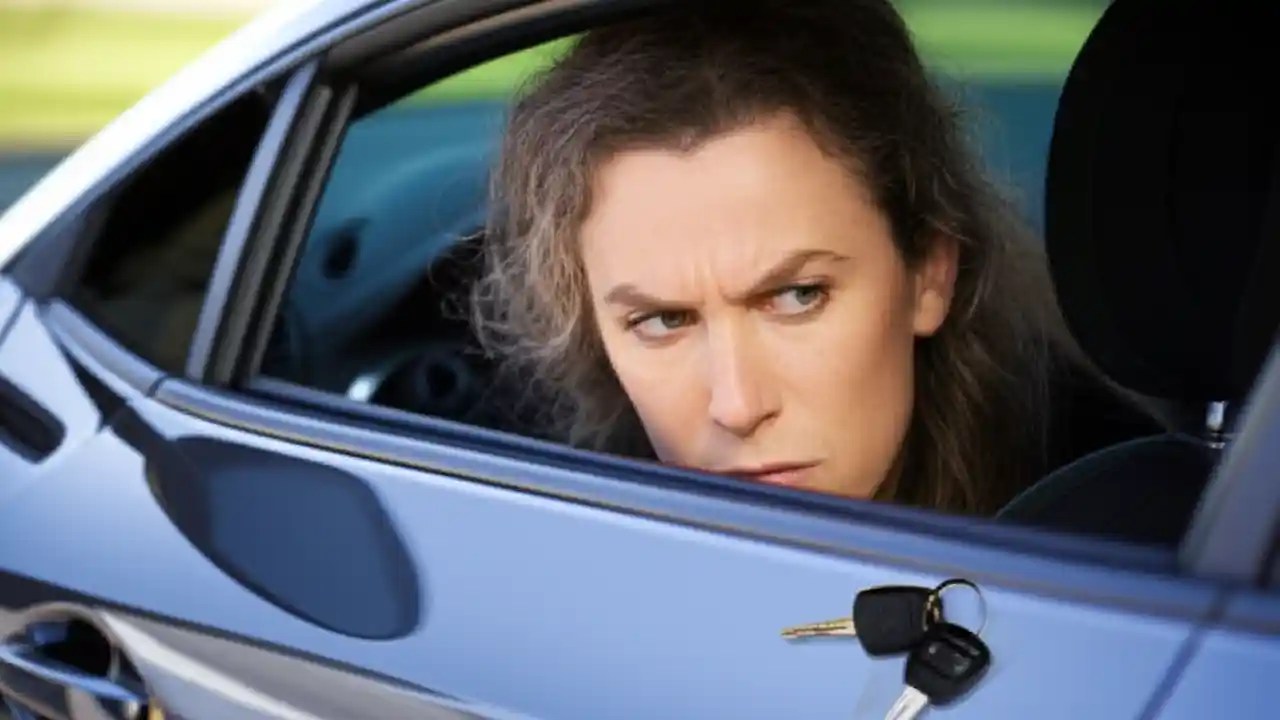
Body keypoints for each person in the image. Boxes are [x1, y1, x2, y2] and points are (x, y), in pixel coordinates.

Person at [473, 0, 1080, 515]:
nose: (736, 406)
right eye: (662, 321)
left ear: (930, 274)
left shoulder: (1112, 545)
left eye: (797, 296)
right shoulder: (565, 542)